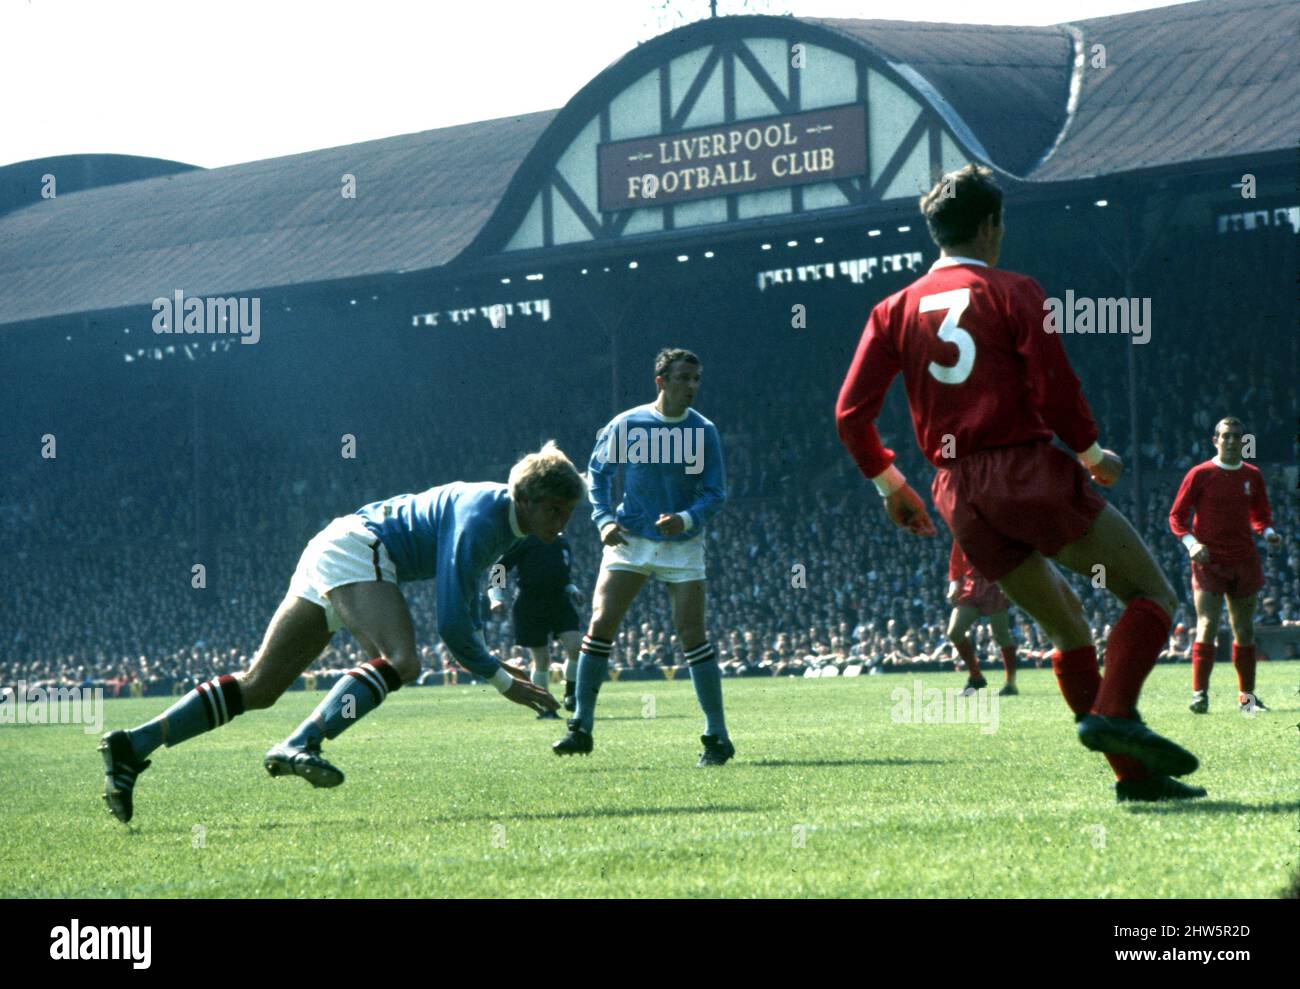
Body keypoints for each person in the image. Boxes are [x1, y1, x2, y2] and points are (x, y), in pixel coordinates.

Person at [835, 163, 1203, 803]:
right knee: (1153, 595)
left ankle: (1134, 780)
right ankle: (1115, 711)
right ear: (989, 226)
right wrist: (1090, 452)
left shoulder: (892, 309)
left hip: (957, 492)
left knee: (1067, 631)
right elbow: (1053, 386)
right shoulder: (1013, 290)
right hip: (1022, 469)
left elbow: (849, 414)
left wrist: (892, 484)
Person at [99, 443, 579, 823]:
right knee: (400, 661)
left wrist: (487, 641)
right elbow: (451, 624)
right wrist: (501, 680)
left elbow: (472, 587)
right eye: (555, 511)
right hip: (359, 547)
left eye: (567, 513)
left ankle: (134, 744)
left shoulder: (509, 519)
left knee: (260, 687)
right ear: (524, 498)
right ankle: (301, 743)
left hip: (335, 545)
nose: (562, 525)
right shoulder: (482, 517)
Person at [553, 348, 732, 766]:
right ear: (661, 381)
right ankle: (581, 726)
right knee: (600, 625)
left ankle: (717, 736)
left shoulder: (703, 431)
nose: (692, 386)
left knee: (692, 636)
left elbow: (715, 492)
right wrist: (602, 520)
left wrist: (687, 518)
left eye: (696, 379)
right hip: (630, 540)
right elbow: (597, 475)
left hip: (682, 544)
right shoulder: (628, 424)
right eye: (684, 377)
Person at [1169, 417, 1281, 714]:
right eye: (1226, 436)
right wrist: (1192, 544)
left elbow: (1261, 515)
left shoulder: (1252, 475)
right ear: (1215, 440)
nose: (1232, 441)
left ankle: (1247, 700)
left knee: (1244, 630)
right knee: (1206, 625)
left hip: (1244, 560)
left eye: (1237, 436)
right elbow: (1177, 517)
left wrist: (1268, 533)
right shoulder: (1200, 474)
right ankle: (1199, 695)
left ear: (1244, 441)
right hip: (1210, 562)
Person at [488, 533, 586, 719]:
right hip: (529, 604)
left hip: (559, 601)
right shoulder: (524, 541)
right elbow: (499, 568)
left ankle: (571, 693)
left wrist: (573, 590)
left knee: (576, 646)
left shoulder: (562, 542)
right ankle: (547, 707)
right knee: (542, 660)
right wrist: (496, 597)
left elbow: (563, 577)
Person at [946, 541, 1020, 696]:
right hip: (970, 586)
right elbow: (956, 561)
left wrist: (1011, 582)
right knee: (954, 632)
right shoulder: (961, 529)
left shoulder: (992, 525)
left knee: (1001, 635)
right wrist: (953, 584)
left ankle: (1010, 684)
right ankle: (976, 677)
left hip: (996, 585)